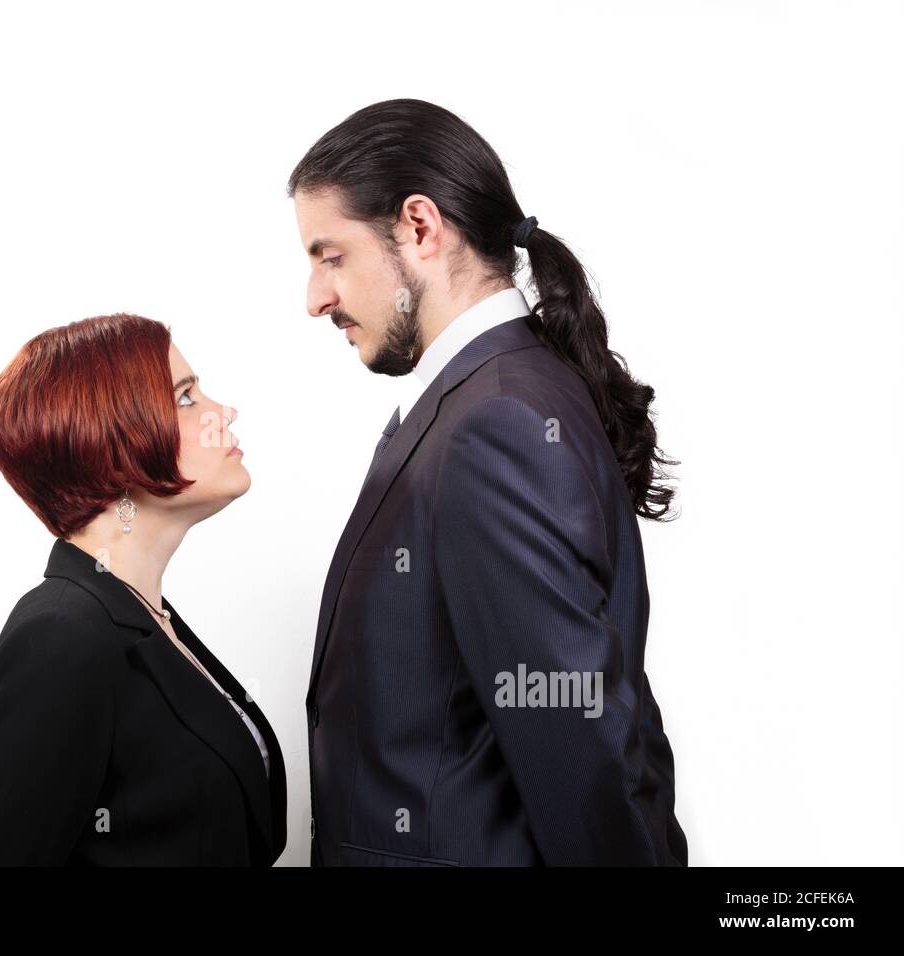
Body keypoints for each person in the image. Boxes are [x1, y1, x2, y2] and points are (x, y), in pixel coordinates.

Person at [289, 99, 688, 866]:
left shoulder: (493, 422)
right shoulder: (483, 400)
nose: (315, 298)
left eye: (329, 255)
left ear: (419, 227)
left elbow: (583, 738)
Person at [0, 313, 285, 866]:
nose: (224, 413)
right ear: (110, 443)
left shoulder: (144, 616)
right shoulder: (61, 636)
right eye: (186, 398)